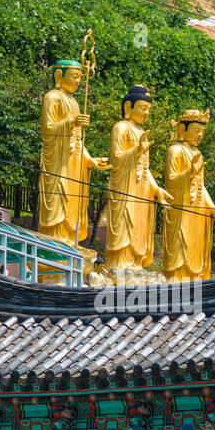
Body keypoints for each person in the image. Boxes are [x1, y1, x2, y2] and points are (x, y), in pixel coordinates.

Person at [38, 60, 110, 245]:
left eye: (80, 77)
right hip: (58, 162)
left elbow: (77, 140)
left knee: (73, 202)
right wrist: (72, 121)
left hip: (74, 163)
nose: (78, 81)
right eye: (74, 76)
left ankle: (71, 241)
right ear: (59, 76)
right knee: (59, 199)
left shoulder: (75, 103)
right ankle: (54, 242)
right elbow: (48, 130)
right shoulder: (52, 97)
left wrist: (88, 159)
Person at [105, 85, 173, 272]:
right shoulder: (121, 128)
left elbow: (145, 168)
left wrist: (156, 188)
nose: (146, 113)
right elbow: (115, 159)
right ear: (128, 107)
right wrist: (136, 150)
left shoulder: (141, 133)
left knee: (139, 229)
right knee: (125, 225)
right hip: (125, 188)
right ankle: (118, 265)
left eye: (148, 110)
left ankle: (135, 265)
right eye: (143, 108)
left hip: (141, 189)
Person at [162, 109, 215, 281]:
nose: (200, 135)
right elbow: (170, 182)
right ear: (183, 129)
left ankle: (195, 278)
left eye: (202, 132)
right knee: (181, 244)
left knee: (196, 246)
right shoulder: (174, 150)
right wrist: (189, 173)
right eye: (197, 130)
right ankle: (177, 278)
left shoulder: (198, 155)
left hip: (197, 208)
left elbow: (201, 187)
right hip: (181, 208)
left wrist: (212, 207)